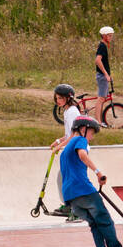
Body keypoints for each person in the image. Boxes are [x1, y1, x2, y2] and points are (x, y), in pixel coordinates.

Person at [59, 116, 123, 247]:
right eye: (91, 133)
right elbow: (82, 154)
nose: (91, 137)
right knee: (105, 220)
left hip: (70, 197)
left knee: (95, 224)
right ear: (83, 129)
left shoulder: (65, 151)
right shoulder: (80, 140)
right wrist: (98, 173)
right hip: (83, 189)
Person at [49, 83, 81, 217]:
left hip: (76, 149)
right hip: (71, 148)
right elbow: (69, 134)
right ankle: (69, 205)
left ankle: (75, 208)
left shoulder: (73, 111)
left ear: (68, 98)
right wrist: (58, 141)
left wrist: (60, 146)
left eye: (61, 98)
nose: (58, 101)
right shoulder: (68, 111)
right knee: (62, 177)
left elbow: (75, 134)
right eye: (57, 98)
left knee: (67, 178)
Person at [89, 26, 114, 122]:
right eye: (109, 36)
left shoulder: (103, 45)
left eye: (111, 36)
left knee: (103, 98)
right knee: (100, 99)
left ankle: (100, 121)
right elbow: (97, 60)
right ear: (104, 36)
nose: (111, 38)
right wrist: (106, 74)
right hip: (102, 76)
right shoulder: (102, 46)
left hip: (103, 75)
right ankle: (98, 122)